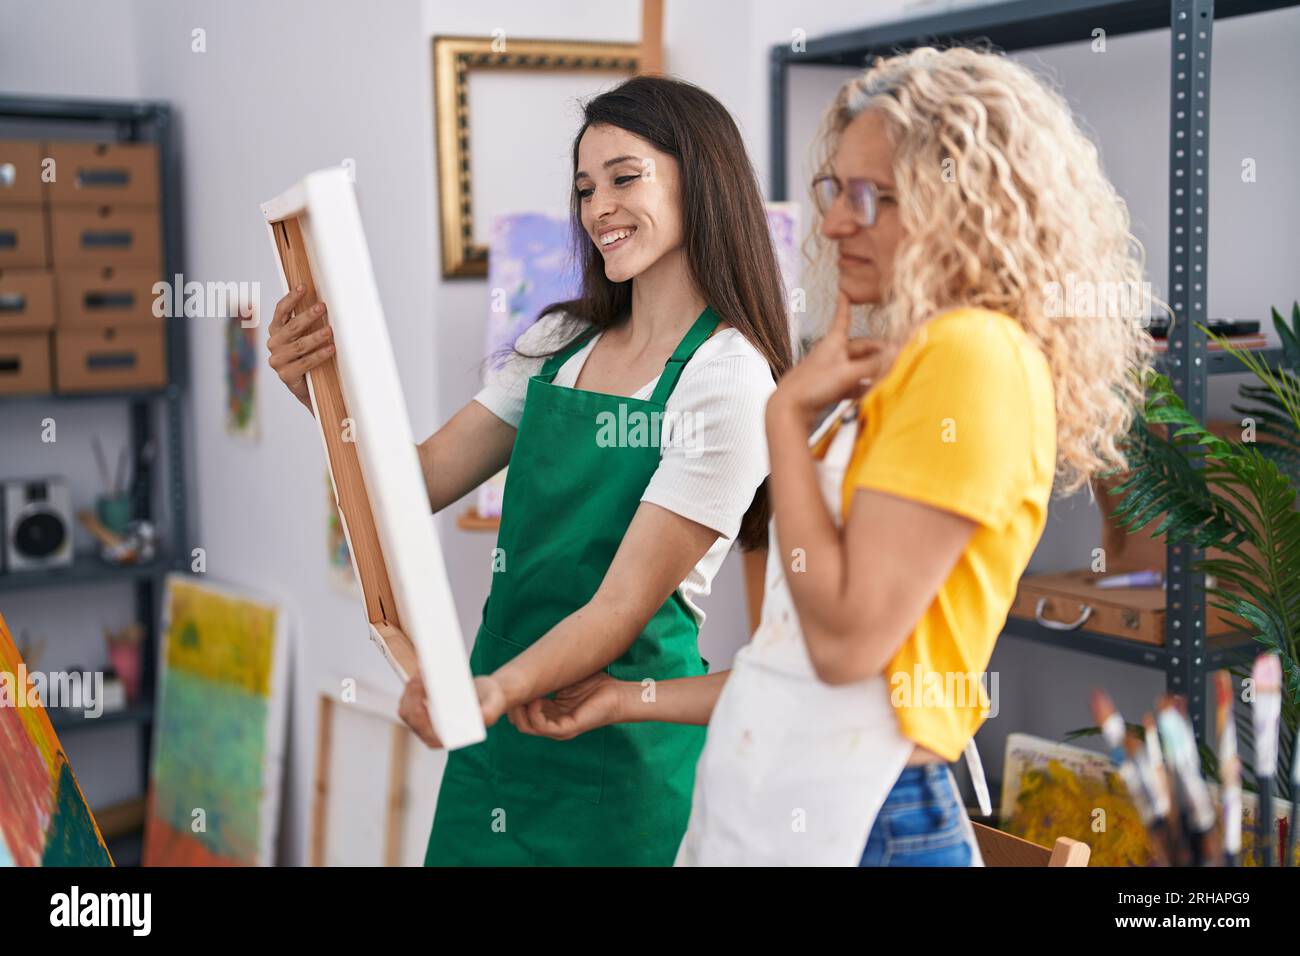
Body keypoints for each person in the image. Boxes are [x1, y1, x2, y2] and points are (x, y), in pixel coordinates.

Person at [517, 46, 1155, 866]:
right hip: (798, 804)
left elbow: (847, 646)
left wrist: (785, 423)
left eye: (871, 197)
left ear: (962, 201)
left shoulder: (973, 358)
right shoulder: (915, 360)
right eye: (834, 190)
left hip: (866, 819)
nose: (833, 223)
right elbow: (793, 662)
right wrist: (623, 698)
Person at [265, 74, 791, 865]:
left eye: (625, 178)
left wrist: (494, 691)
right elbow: (410, 489)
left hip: (613, 750)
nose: (599, 208)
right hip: (496, 736)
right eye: (585, 189)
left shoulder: (729, 379)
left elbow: (618, 609)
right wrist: (314, 386)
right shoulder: (560, 345)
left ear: (702, 179)